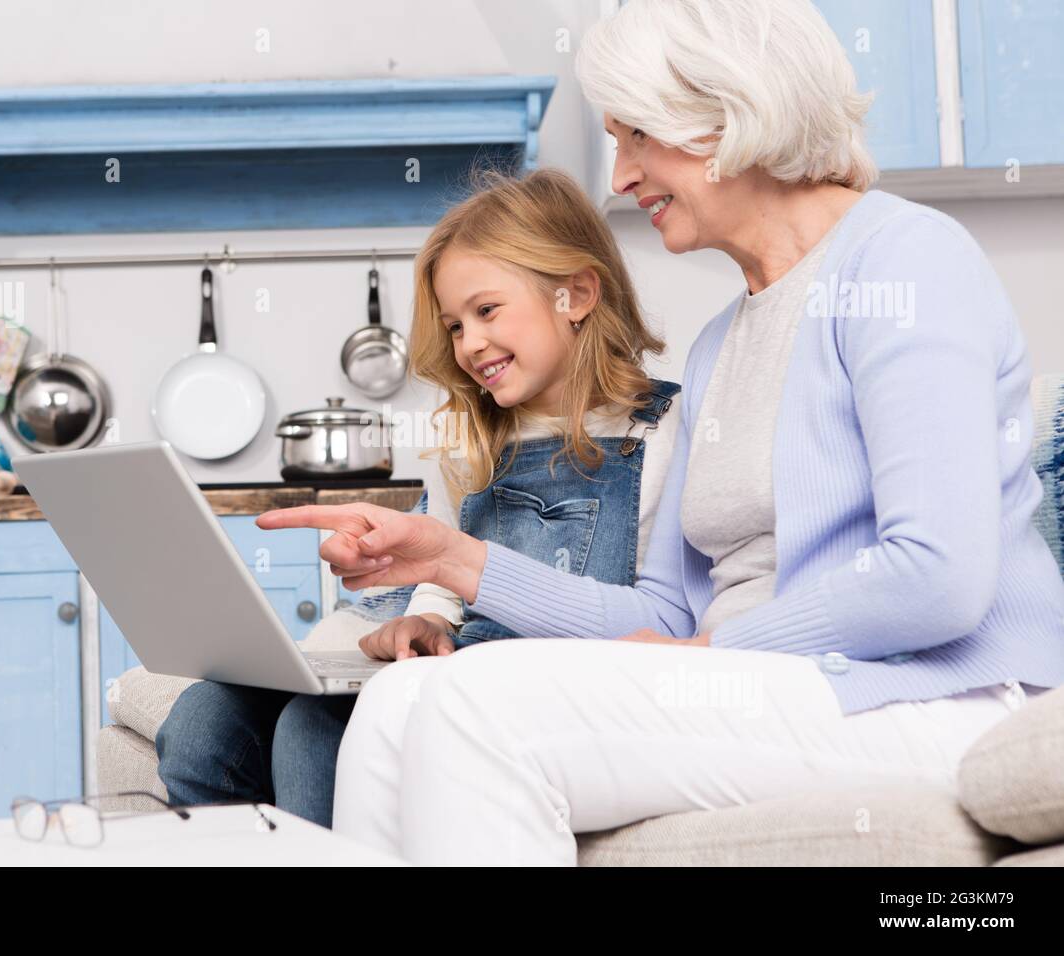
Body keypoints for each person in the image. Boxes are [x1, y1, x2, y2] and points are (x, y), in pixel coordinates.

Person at [256, 0, 1064, 864]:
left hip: (933, 696)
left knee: (477, 709)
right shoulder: (724, 340)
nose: (620, 175)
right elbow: (663, 611)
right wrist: (448, 559)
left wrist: (715, 649)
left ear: (730, 113)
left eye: (637, 135)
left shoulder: (905, 262)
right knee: (395, 707)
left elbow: (937, 578)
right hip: (770, 683)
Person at [155, 167, 683, 828]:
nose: (470, 344)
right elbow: (446, 567)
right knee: (204, 719)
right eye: (455, 326)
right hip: (453, 665)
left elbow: (666, 616)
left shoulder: (663, 434)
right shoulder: (472, 439)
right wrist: (429, 619)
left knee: (315, 731)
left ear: (574, 295)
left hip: (544, 687)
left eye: (486, 311)